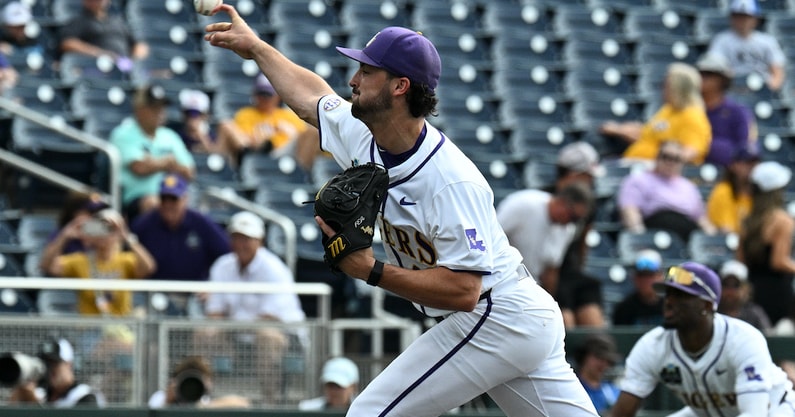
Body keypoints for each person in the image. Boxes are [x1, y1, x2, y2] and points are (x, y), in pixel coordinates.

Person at [204, 8, 600, 416]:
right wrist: (256, 48)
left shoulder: (450, 180)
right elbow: (311, 99)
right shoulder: (366, 133)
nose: (354, 80)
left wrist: (371, 271)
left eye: (367, 71)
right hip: (518, 319)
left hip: (496, 314)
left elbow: (465, 291)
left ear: (400, 86)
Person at [611, 261, 795, 417]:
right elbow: (622, 411)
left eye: (681, 295)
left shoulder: (743, 339)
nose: (669, 301)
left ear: (706, 305)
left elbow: (754, 414)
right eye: (668, 293)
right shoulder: (653, 345)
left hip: (775, 409)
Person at [193, 211, 306, 404]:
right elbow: (215, 314)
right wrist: (227, 325)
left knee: (267, 336)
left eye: (247, 238)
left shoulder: (274, 268)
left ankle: (271, 402)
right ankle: (209, 399)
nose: (241, 243)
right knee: (206, 332)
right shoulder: (222, 266)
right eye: (236, 237)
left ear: (259, 241)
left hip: (285, 337)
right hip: (237, 334)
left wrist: (232, 324)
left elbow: (270, 319)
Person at [497, 181, 601, 328]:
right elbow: (491, 239)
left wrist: (548, 306)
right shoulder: (524, 204)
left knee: (562, 321)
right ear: (563, 202)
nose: (573, 223)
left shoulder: (567, 229)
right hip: (501, 280)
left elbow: (551, 271)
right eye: (574, 217)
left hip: (530, 288)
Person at [130, 174, 230, 316]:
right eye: (164, 199)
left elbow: (227, 257)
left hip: (194, 295)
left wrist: (213, 284)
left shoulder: (200, 223)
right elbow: (128, 257)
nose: (168, 204)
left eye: (174, 199)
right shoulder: (144, 224)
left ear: (185, 199)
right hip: (153, 293)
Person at [38, 207, 155, 317]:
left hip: (120, 328)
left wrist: (127, 236)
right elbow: (47, 265)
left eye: (110, 229)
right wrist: (64, 235)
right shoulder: (80, 260)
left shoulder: (126, 260)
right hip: (89, 330)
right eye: (100, 228)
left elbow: (149, 267)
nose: (105, 234)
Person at [110, 84, 195, 222]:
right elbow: (139, 168)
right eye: (154, 108)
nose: (160, 112)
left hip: (175, 194)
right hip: (137, 198)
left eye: (162, 107)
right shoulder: (123, 134)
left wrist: (155, 163)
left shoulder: (170, 136)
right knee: (155, 203)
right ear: (139, 109)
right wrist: (169, 162)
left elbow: (189, 172)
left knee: (189, 209)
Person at [600, 63, 711, 165]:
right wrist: (618, 129)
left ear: (678, 88)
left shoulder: (692, 116)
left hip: (658, 174)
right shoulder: (668, 110)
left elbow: (690, 153)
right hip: (637, 165)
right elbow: (647, 135)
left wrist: (659, 162)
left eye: (666, 85)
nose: (663, 89)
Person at [617, 141, 716, 242]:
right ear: (657, 157)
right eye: (666, 157)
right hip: (655, 235)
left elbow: (701, 218)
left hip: (686, 238)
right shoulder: (638, 180)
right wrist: (641, 237)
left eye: (676, 159)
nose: (670, 162)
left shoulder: (689, 187)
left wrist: (713, 239)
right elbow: (630, 211)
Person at [738, 161, 795, 326]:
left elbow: (740, 261)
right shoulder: (782, 220)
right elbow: (778, 261)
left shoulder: (746, 220)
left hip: (752, 292)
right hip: (778, 292)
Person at [36, 192, 109, 314]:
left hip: (97, 291)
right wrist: (65, 236)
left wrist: (93, 240)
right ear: (76, 213)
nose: (95, 217)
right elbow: (45, 266)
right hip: (65, 293)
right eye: (90, 212)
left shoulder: (103, 235)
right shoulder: (62, 234)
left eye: (97, 213)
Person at [707, 0, 786, 93]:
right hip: (732, 88)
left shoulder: (767, 41)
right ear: (732, 17)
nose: (742, 20)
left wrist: (771, 89)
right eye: (738, 16)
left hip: (761, 89)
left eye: (747, 17)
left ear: (755, 19)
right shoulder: (721, 40)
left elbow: (777, 70)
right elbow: (715, 67)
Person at [697, 52, 758, 168]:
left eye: (709, 74)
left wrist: (711, 147)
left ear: (722, 79)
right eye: (700, 74)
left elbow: (744, 147)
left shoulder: (737, 112)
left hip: (727, 172)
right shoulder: (690, 110)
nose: (702, 78)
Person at [232, 73, 313, 157]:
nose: (264, 99)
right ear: (254, 94)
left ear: (277, 96)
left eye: (268, 95)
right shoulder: (245, 114)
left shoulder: (289, 115)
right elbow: (246, 142)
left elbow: (303, 140)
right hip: (259, 155)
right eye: (261, 94)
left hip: (287, 154)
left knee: (312, 132)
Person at [8, 338, 107, 407]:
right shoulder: (40, 394)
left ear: (69, 364)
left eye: (55, 363)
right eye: (45, 363)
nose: (49, 368)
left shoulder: (85, 396)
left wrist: (35, 406)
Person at [58, 0, 148, 67]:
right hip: (99, 66)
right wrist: (100, 54)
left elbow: (139, 45)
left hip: (125, 64)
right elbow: (68, 43)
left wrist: (135, 60)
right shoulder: (78, 21)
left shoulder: (118, 21)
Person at [174, 88, 249, 166]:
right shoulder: (177, 137)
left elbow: (216, 160)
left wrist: (202, 137)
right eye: (188, 113)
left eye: (196, 114)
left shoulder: (212, 136)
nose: (192, 118)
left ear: (205, 116)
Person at [148, 356, 250, 408]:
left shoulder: (203, 401)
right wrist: (167, 401)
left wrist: (203, 407)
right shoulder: (161, 396)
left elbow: (242, 403)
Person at [706, 143, 760, 234]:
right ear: (734, 165)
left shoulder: (762, 193)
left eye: (755, 163)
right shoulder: (724, 191)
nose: (753, 168)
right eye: (747, 163)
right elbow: (726, 230)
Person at [611, 249, 665, 327]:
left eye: (650, 275)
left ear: (660, 276)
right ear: (634, 278)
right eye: (641, 275)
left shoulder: (670, 306)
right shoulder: (624, 309)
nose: (645, 280)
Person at [573, 333, 622, 416]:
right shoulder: (572, 387)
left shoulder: (612, 390)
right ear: (584, 356)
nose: (603, 364)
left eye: (607, 360)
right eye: (598, 357)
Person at [718, 259, 772, 333]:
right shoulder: (713, 313)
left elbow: (769, 338)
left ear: (746, 288)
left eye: (736, 285)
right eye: (726, 285)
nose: (730, 291)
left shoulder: (755, 314)